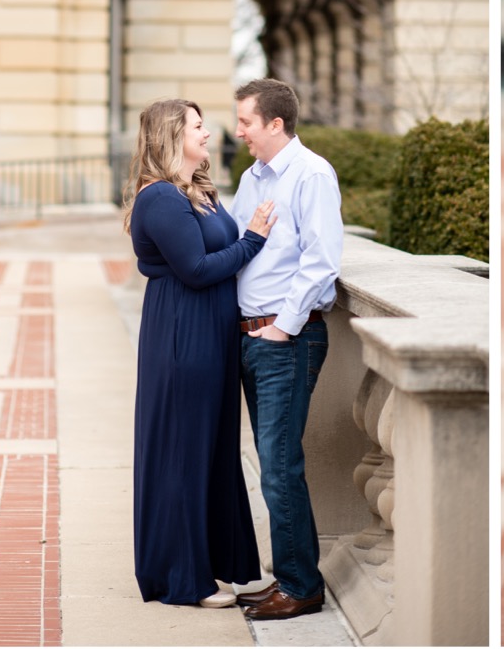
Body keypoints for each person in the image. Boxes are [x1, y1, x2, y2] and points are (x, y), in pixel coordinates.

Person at [123, 98, 277, 607]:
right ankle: (184, 579)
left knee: (212, 449)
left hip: (211, 334)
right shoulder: (162, 198)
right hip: (181, 335)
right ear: (172, 135)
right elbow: (196, 269)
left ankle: (217, 564)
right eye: (197, 125)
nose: (208, 133)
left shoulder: (200, 193)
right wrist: (253, 238)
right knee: (184, 452)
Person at [229, 78, 343, 621]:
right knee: (270, 463)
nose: (238, 131)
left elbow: (321, 260)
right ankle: (290, 577)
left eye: (246, 121)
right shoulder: (251, 178)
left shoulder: (312, 174)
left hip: (286, 341)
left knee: (278, 466)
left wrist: (282, 329)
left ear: (275, 123)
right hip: (251, 336)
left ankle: (300, 586)